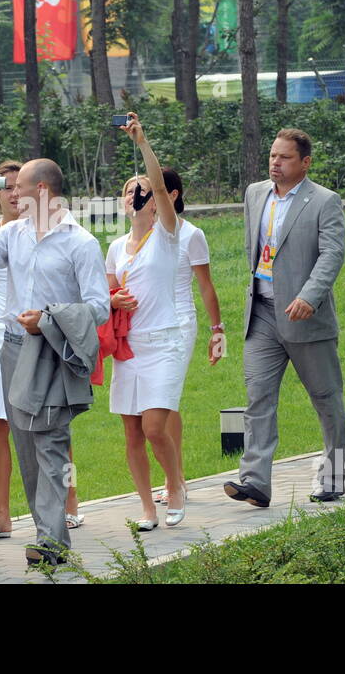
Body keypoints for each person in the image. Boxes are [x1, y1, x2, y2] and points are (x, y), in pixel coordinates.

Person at [0, 159, 110, 566]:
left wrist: (48, 320)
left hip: (53, 350)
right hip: (11, 348)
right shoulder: (13, 234)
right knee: (26, 444)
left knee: (51, 442)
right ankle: (50, 536)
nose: (10, 194)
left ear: (41, 190)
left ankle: (50, 539)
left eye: (17, 186)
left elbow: (99, 307)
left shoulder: (80, 242)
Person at [224, 128, 345, 506]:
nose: (275, 163)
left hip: (304, 317)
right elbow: (254, 247)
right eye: (273, 156)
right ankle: (256, 482)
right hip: (261, 313)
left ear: (305, 163)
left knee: (326, 400)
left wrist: (310, 295)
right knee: (258, 398)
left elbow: (332, 254)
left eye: (285, 158)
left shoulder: (325, 201)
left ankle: (334, 478)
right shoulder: (255, 193)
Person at [105, 116, 186, 529]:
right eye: (128, 191)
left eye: (143, 190)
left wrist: (142, 142)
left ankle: (175, 485)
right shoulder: (116, 247)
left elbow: (156, 179)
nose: (136, 194)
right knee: (133, 434)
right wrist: (113, 298)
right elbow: (105, 294)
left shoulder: (168, 233)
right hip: (129, 349)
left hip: (163, 343)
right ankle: (147, 509)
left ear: (155, 200)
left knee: (156, 427)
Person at [151, 167, 224, 507]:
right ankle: (174, 476)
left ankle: (175, 478)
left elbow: (206, 286)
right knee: (158, 401)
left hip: (180, 321)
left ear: (173, 195)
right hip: (148, 323)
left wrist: (217, 331)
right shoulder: (143, 234)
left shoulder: (191, 234)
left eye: (152, 191)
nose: (143, 198)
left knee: (167, 400)